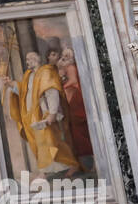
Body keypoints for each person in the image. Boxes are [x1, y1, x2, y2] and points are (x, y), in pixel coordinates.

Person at [5, 48, 81, 176]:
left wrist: (52, 113)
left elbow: (52, 92)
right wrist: (11, 84)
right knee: (40, 143)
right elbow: (24, 91)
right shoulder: (28, 75)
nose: (27, 62)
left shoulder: (45, 72)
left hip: (44, 113)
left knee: (52, 141)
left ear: (35, 60)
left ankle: (70, 165)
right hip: (31, 114)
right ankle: (49, 170)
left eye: (29, 59)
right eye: (27, 59)